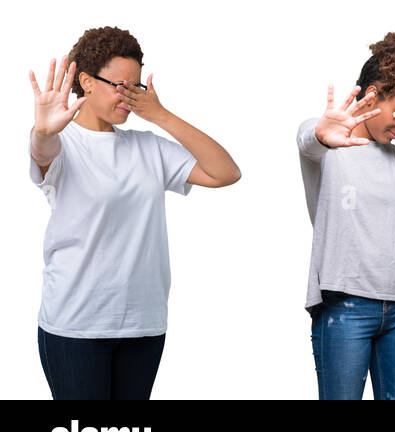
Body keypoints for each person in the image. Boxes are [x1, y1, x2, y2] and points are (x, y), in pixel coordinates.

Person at [29, 26, 242, 400]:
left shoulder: (149, 148)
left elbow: (226, 172)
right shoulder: (64, 143)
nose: (128, 96)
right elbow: (42, 154)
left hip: (143, 324)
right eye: (119, 85)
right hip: (77, 326)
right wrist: (43, 132)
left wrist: (160, 116)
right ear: (86, 82)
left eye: (136, 87)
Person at [299, 30, 395, 400]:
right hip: (344, 305)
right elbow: (307, 139)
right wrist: (322, 134)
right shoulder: (333, 145)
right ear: (373, 94)